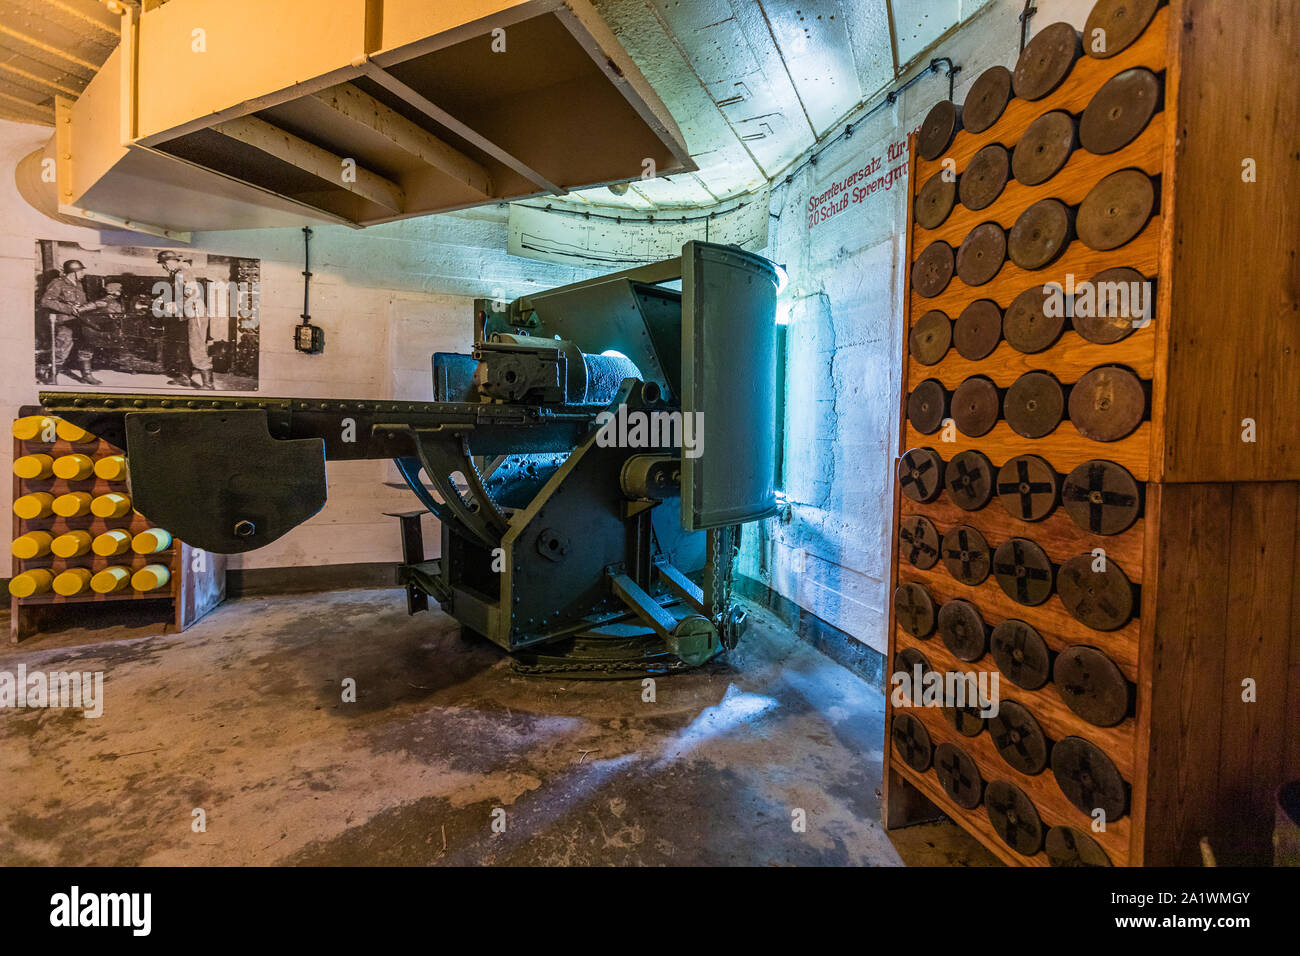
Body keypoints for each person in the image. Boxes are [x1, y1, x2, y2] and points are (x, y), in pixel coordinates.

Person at [38, 259, 110, 385]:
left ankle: (86, 375)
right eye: (81, 270)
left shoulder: (79, 285)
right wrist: (69, 309)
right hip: (65, 320)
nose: (83, 273)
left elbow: (81, 304)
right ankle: (52, 375)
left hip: (80, 320)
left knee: (86, 345)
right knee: (63, 347)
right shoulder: (58, 283)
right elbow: (46, 301)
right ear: (73, 272)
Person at [156, 250, 214, 389]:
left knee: (196, 347)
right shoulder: (176, 274)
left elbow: (193, 294)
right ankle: (185, 378)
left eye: (163, 264)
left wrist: (176, 305)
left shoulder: (183, 273)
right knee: (183, 346)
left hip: (195, 314)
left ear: (169, 262)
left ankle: (208, 384)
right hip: (186, 314)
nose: (163, 267)